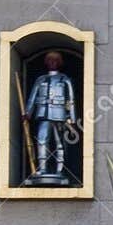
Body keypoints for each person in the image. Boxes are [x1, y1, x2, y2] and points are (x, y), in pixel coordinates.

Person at [23, 50, 79, 183]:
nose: (52, 63)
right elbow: (32, 97)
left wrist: (72, 118)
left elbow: (70, 100)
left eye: (55, 60)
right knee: (41, 140)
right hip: (43, 114)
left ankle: (60, 170)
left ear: (59, 63)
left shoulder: (65, 79)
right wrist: (28, 112)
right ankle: (42, 168)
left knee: (59, 142)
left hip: (59, 115)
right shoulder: (40, 79)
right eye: (50, 60)